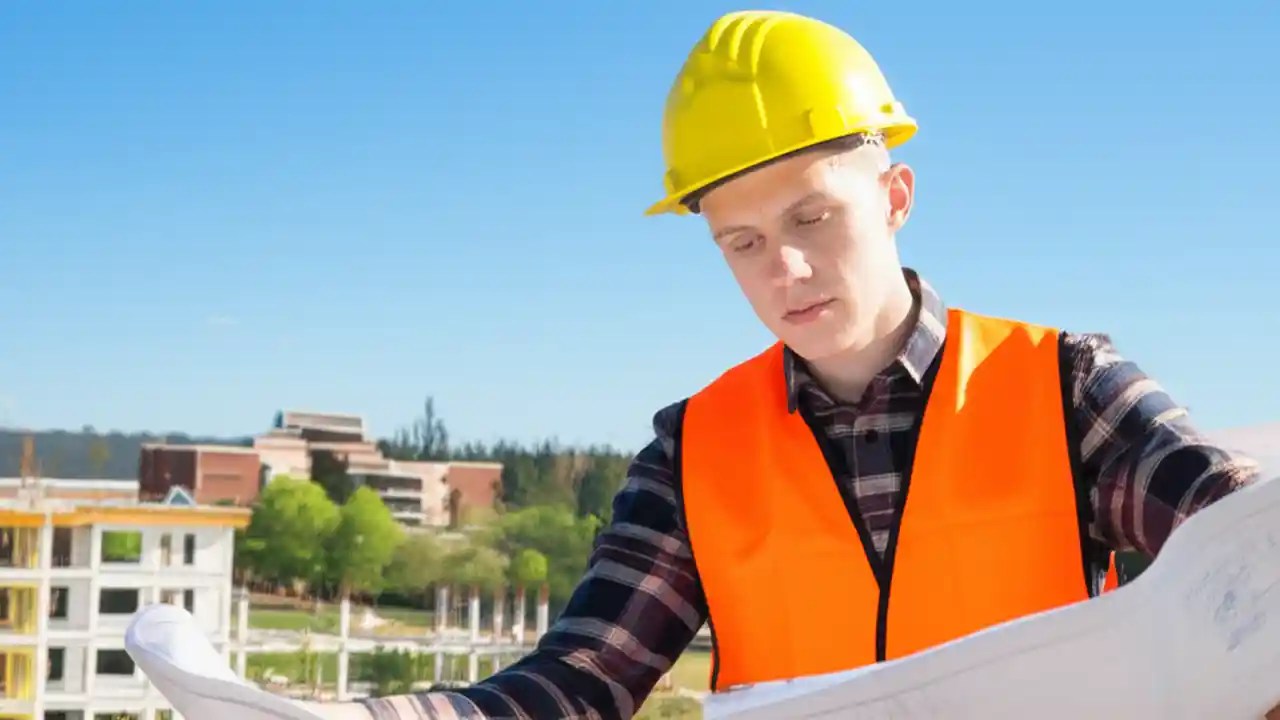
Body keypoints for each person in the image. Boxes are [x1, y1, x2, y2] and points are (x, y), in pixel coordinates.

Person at [338, 10, 1267, 719]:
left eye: (811, 219)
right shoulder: (691, 452)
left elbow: (1246, 546)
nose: (781, 269)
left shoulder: (1066, 391)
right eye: (740, 242)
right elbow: (576, 685)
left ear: (895, 193)